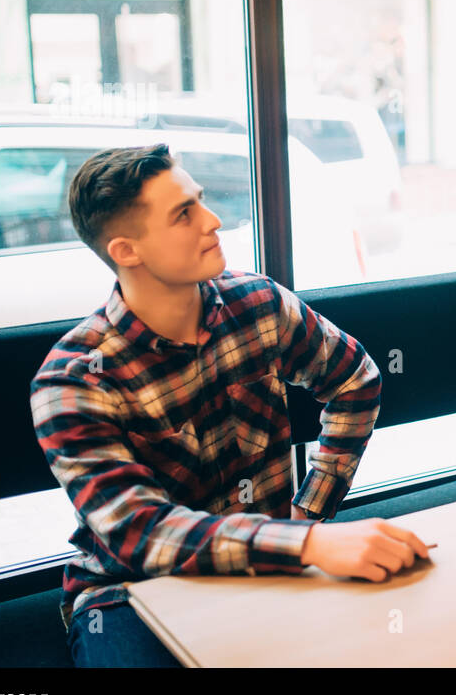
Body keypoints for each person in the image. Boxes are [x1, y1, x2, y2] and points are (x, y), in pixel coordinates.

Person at [31, 144, 429, 667]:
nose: (214, 220)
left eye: (200, 201)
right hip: (131, 593)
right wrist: (306, 544)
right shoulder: (72, 379)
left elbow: (356, 380)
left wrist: (309, 513)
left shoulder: (258, 304)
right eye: (184, 214)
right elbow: (140, 531)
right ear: (127, 251)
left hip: (270, 564)